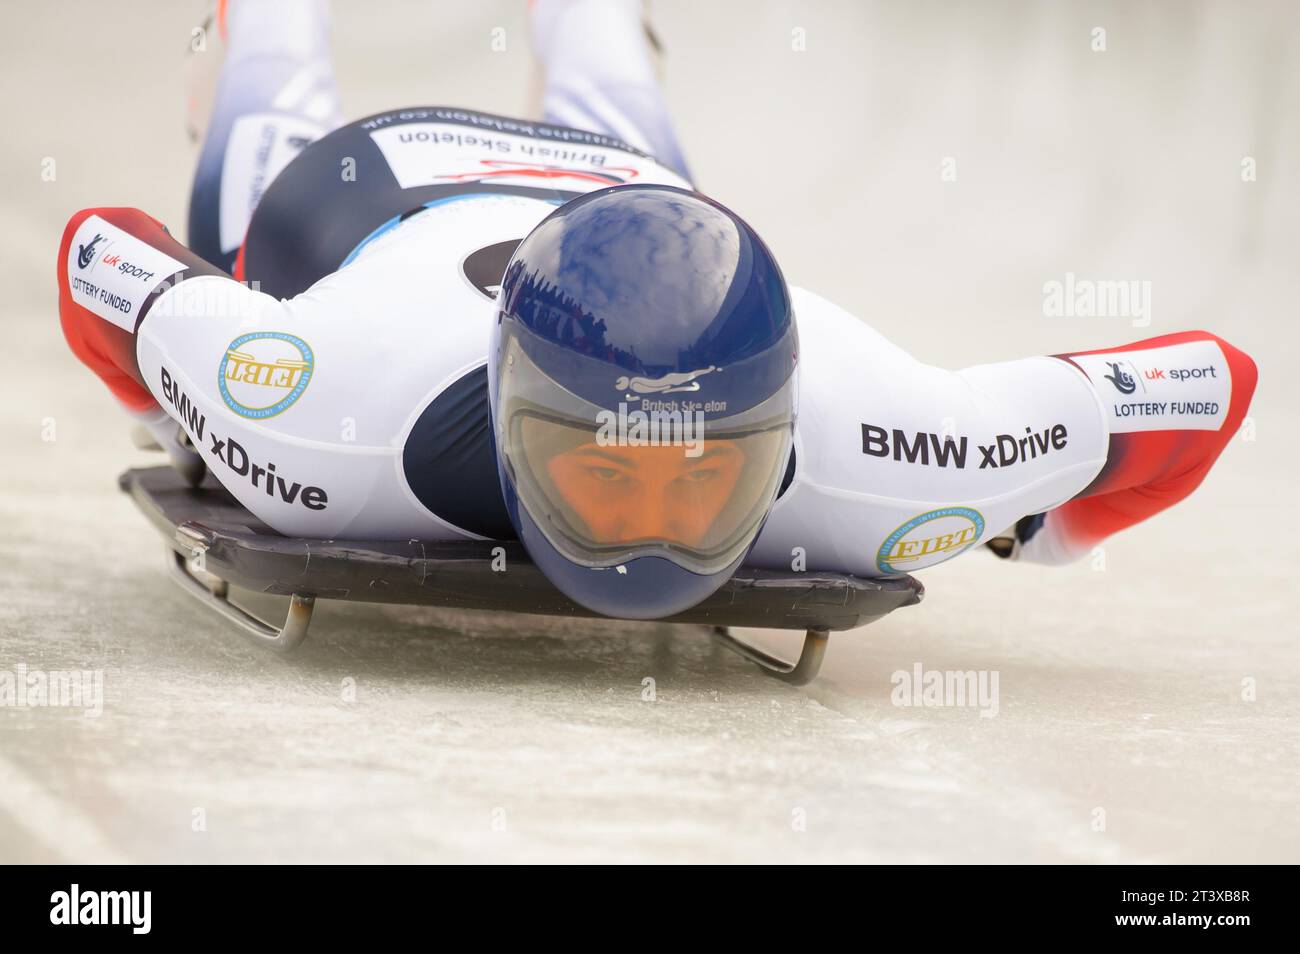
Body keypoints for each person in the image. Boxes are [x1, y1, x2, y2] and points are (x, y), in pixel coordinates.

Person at [57, 0, 1257, 620]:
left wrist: (1030, 512)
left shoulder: (890, 449)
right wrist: (1036, 524)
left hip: (631, 196)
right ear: (509, 411)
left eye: (701, 481)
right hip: (375, 184)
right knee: (251, 157)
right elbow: (1204, 385)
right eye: (606, 472)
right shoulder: (312, 416)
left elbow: (98, 256)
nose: (648, 536)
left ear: (779, 429)